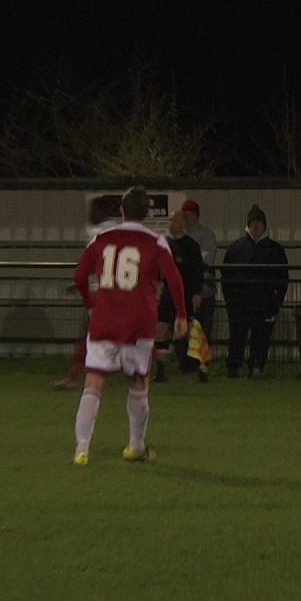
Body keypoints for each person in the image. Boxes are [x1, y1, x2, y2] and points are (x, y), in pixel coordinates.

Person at [70, 186, 187, 466]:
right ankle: (136, 446)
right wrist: (181, 314)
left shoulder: (101, 237)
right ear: (147, 213)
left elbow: (79, 275)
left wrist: (90, 301)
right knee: (137, 384)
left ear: (122, 210)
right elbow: (174, 278)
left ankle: (82, 449)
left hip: (105, 318)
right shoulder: (156, 242)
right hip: (138, 323)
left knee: (94, 383)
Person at [50, 194, 123, 390]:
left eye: (93, 210)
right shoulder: (121, 231)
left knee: (89, 336)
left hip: (100, 292)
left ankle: (74, 377)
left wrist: (82, 281)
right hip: (120, 291)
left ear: (102, 212)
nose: (89, 215)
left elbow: (96, 263)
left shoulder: (97, 233)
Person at [221, 204, 289, 378]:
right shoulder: (236, 248)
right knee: (237, 335)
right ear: (248, 225)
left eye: (259, 222)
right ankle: (233, 366)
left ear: (264, 225)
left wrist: (276, 301)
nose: (256, 226)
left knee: (261, 336)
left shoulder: (275, 250)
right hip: (240, 301)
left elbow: (282, 277)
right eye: (253, 222)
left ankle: (257, 365)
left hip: (265, 301)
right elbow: (226, 275)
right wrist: (230, 299)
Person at [154, 207, 204, 383]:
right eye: (169, 221)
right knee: (160, 330)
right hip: (168, 293)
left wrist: (197, 292)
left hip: (187, 293)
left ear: (182, 223)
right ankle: (161, 372)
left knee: (191, 331)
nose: (171, 224)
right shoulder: (163, 244)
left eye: (174, 220)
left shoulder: (191, 246)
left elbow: (198, 271)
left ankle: (202, 367)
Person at [180, 199, 218, 374]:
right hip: (183, 292)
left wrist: (186, 263)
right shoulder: (178, 236)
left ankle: (201, 363)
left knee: (202, 328)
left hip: (204, 291)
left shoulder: (207, 235)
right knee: (182, 329)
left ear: (194, 216)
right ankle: (185, 364)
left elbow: (205, 261)